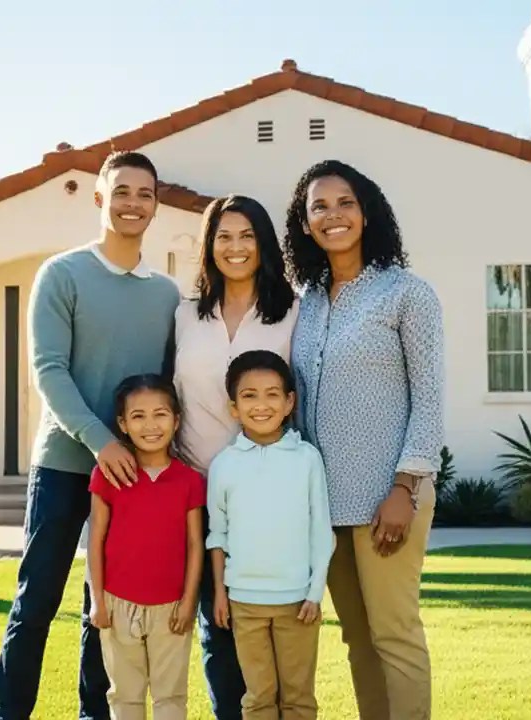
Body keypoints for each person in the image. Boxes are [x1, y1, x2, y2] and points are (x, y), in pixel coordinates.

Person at [0, 150, 183, 720]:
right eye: (122, 191)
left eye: (145, 194)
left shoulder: (168, 295)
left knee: (105, 609)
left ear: (156, 205)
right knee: (37, 601)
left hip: (132, 478)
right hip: (67, 465)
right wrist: (104, 442)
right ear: (100, 198)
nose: (133, 203)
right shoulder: (62, 273)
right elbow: (48, 369)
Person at [284, 160, 444, 720]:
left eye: (345, 202)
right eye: (319, 207)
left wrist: (405, 486)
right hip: (325, 503)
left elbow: (429, 399)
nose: (334, 215)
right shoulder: (305, 301)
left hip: (388, 499)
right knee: (357, 639)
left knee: (395, 635)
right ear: (305, 225)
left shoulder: (406, 293)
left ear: (367, 210)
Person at [166, 194, 299, 719]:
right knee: (215, 624)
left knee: (272, 627)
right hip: (197, 493)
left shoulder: (293, 313)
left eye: (247, 236)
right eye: (224, 236)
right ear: (209, 246)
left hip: (268, 496)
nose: (236, 247)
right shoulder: (183, 316)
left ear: (264, 245)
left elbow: (301, 397)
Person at [205, 350, 334, 720]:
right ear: (233, 407)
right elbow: (218, 534)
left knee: (298, 699)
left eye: (272, 394)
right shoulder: (224, 465)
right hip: (244, 603)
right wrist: (220, 593)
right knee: (258, 698)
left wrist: (314, 593)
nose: (261, 405)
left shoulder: (306, 458)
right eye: (249, 395)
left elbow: (320, 531)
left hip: (298, 604)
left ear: (290, 401)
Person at [87, 374, 205, 720]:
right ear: (122, 424)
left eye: (160, 414)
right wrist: (98, 601)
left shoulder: (189, 480)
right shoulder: (108, 475)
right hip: (117, 604)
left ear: (176, 420)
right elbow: (95, 539)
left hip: (171, 608)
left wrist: (188, 601)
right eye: (138, 416)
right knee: (124, 696)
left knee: (171, 697)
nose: (150, 425)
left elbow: (195, 544)